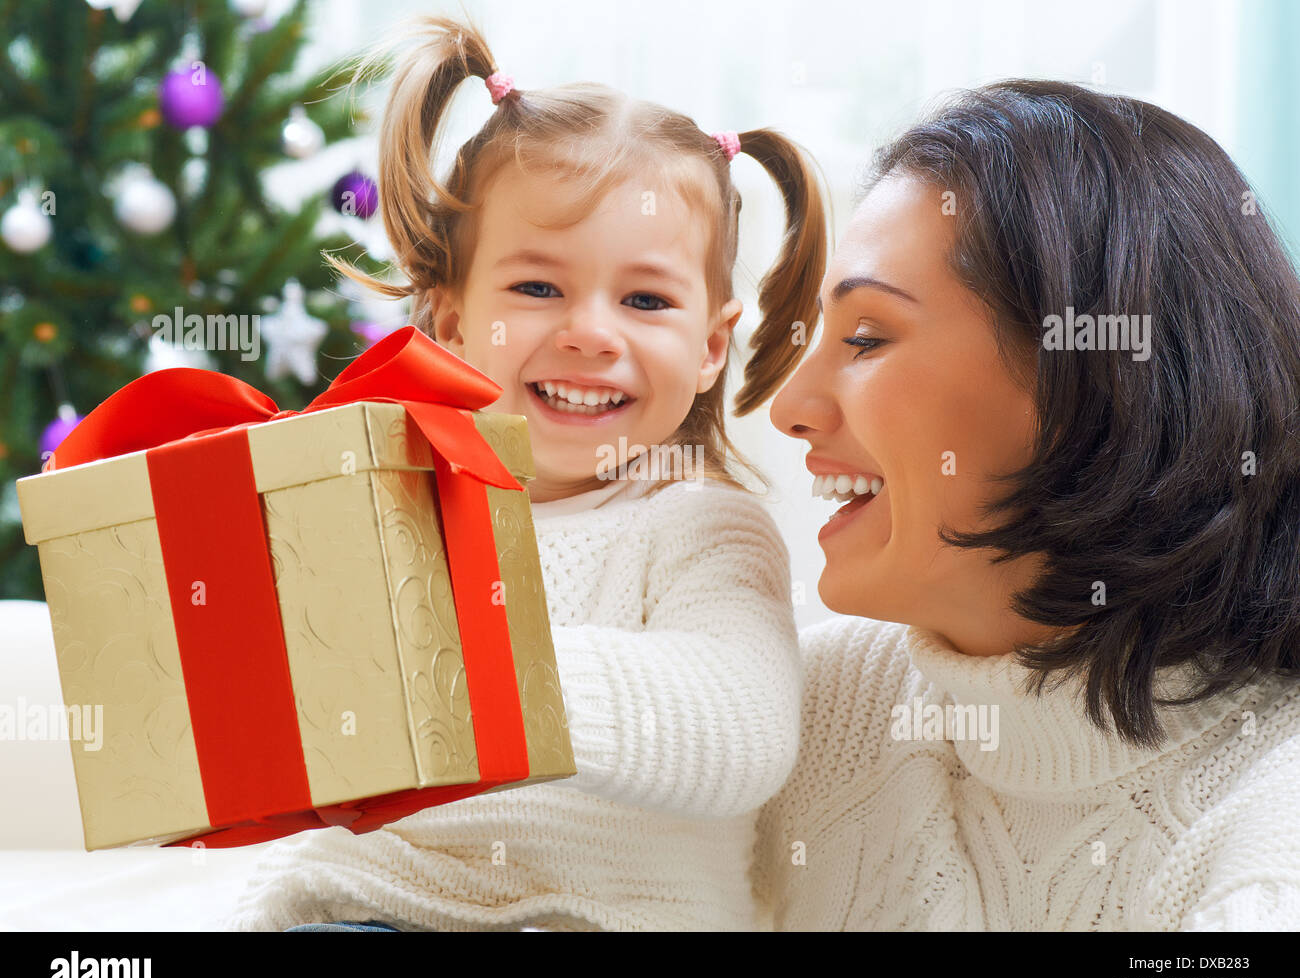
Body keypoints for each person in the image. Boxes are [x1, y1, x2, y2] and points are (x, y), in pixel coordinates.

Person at [224, 14, 828, 931]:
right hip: (367, 906)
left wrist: (471, 670)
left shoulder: (699, 523)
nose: (590, 330)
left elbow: (743, 731)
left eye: (645, 299)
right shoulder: (392, 506)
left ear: (711, 346)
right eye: (539, 287)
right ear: (453, 316)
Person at [755, 79, 1300, 931]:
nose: (789, 406)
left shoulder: (1270, 840)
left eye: (865, 338)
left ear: (1098, 380)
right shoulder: (798, 710)